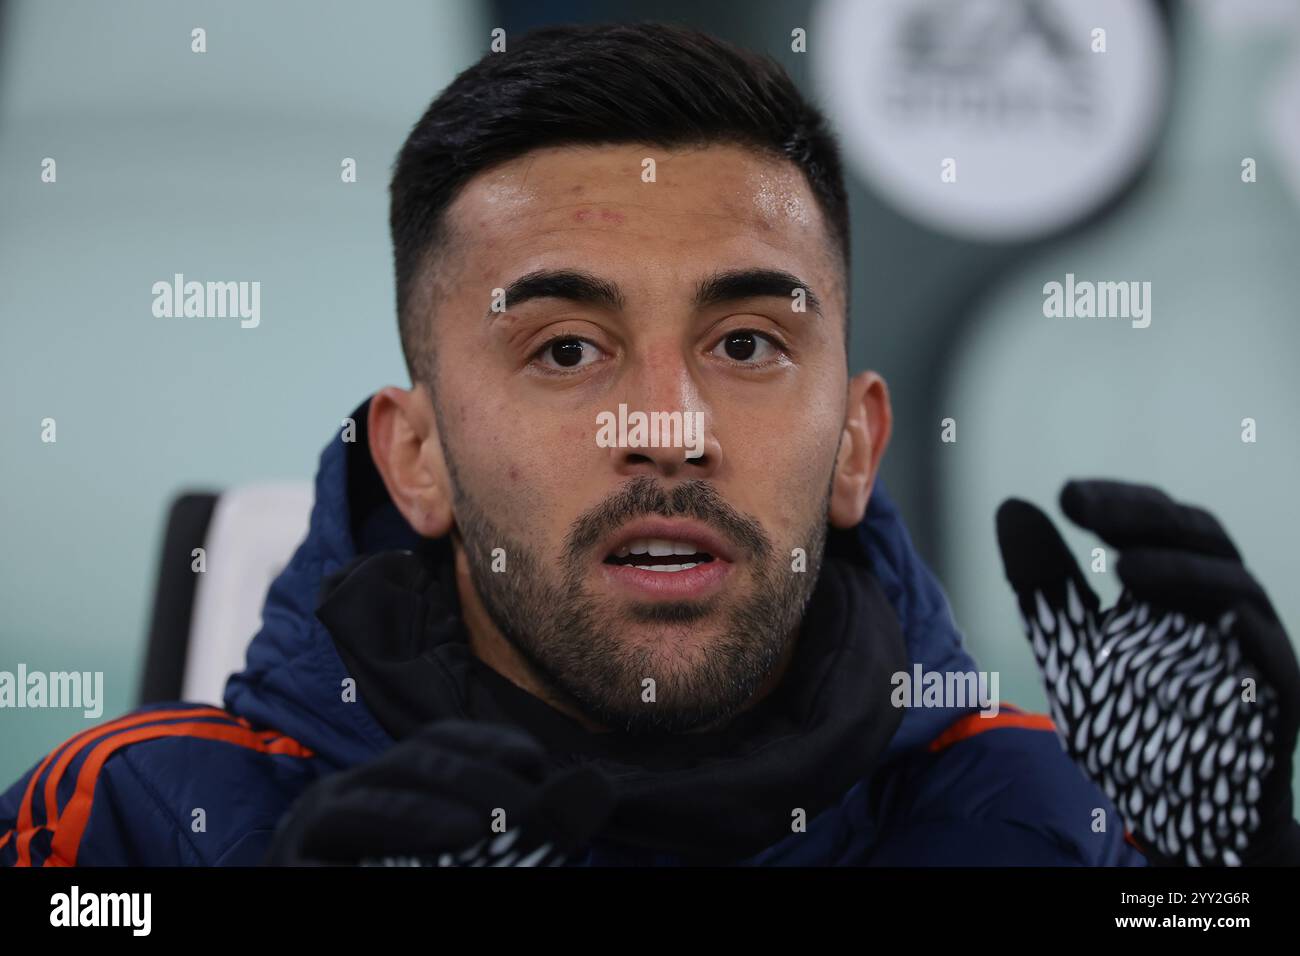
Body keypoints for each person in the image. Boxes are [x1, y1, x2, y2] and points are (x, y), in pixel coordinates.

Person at [2, 23, 1295, 867]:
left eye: (745, 346)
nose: (666, 430)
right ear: (417, 458)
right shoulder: (135, 827)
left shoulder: (1056, 828)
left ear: (857, 445)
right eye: (566, 350)